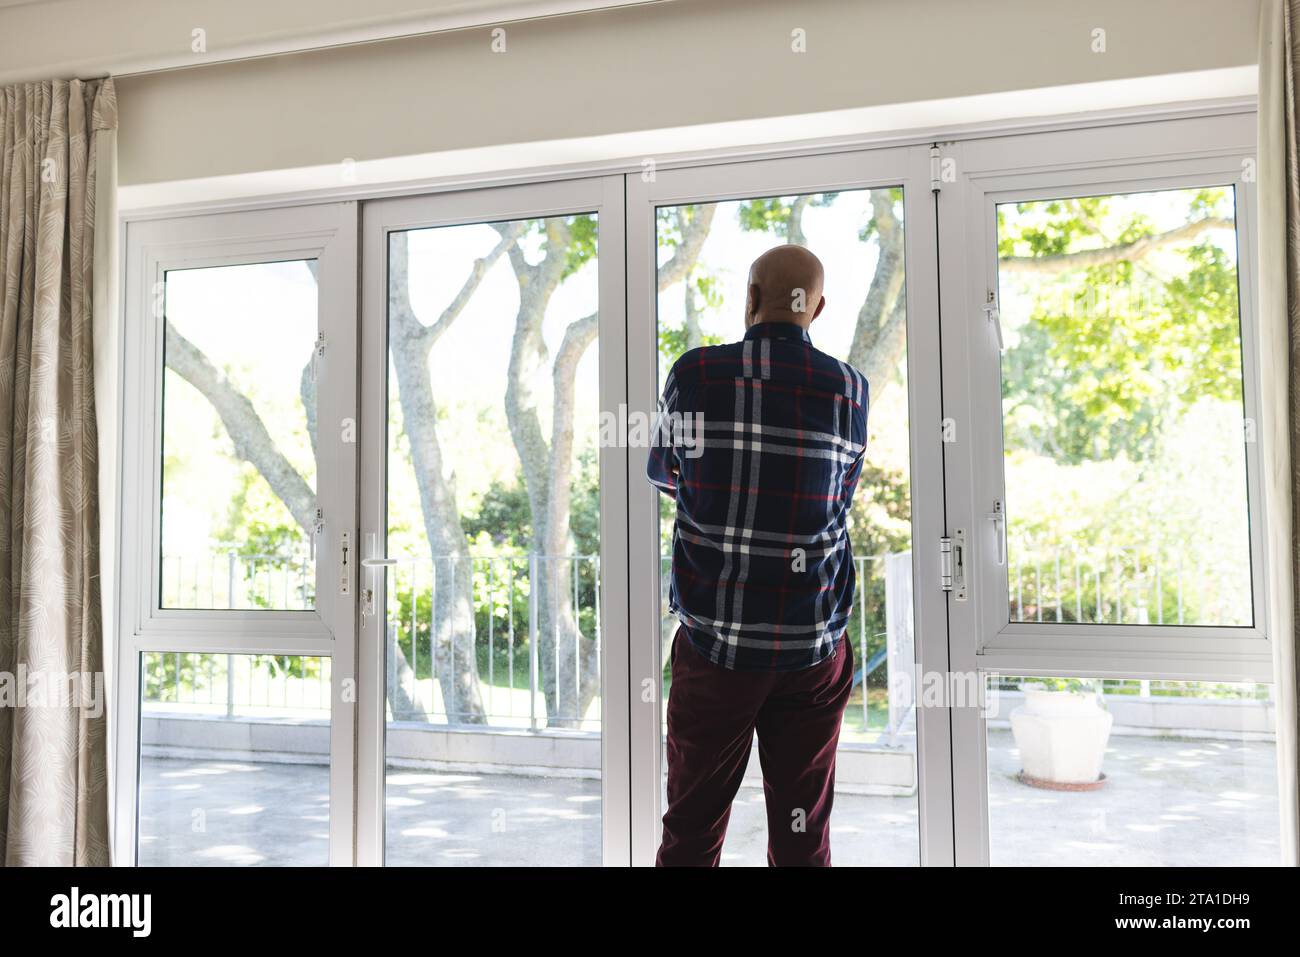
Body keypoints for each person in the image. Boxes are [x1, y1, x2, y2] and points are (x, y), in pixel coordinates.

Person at [647, 244, 869, 867]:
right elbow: (838, 496)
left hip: (717, 650)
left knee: (691, 826)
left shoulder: (695, 374)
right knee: (803, 830)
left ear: (749, 300)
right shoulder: (850, 389)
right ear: (816, 308)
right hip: (812, 650)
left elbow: (664, 472)